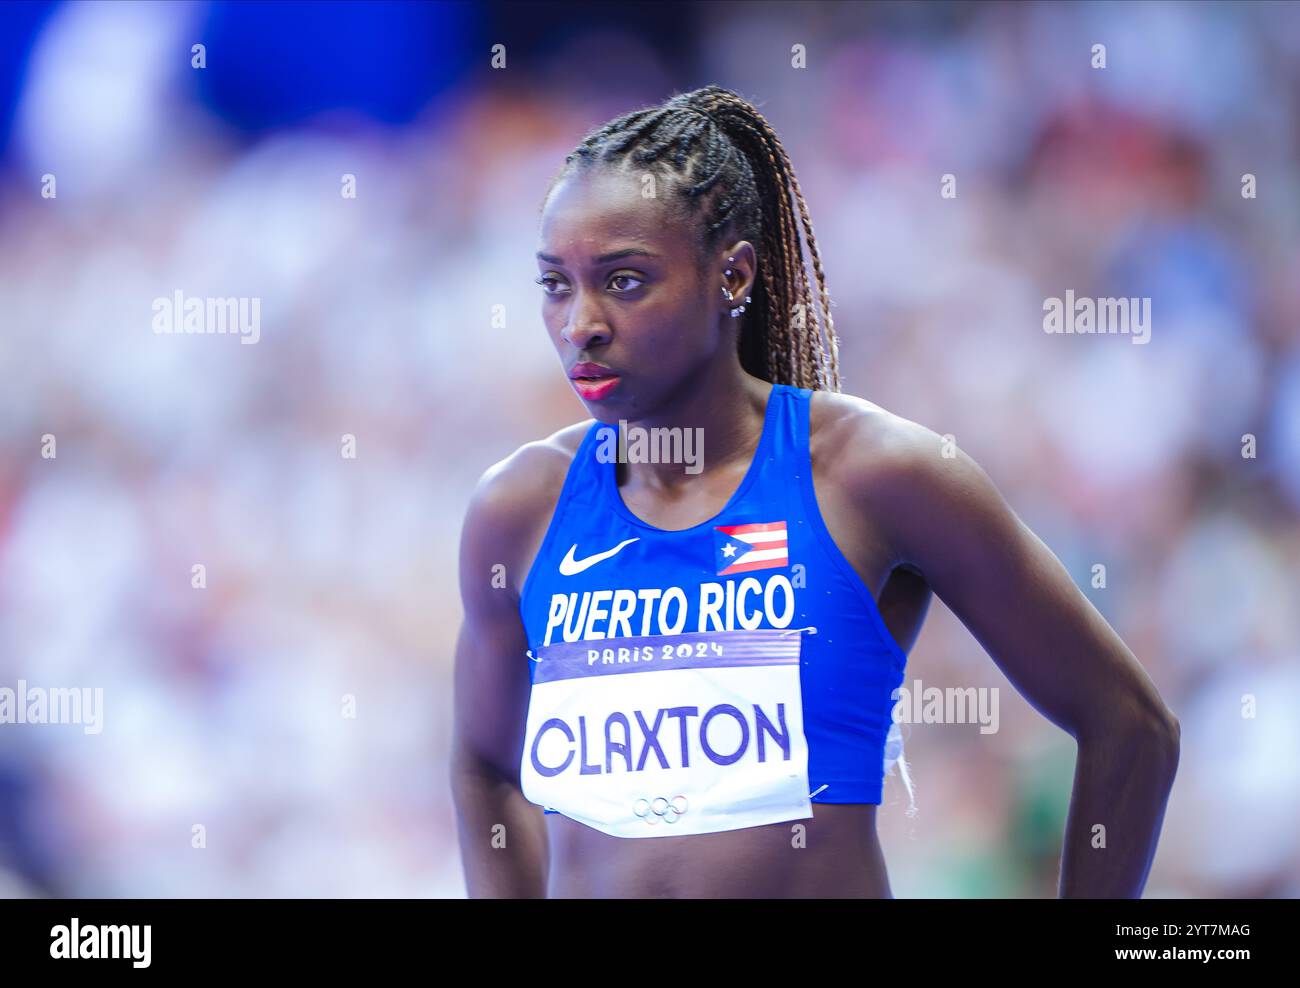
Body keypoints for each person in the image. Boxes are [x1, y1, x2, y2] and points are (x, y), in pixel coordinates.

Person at [451, 84, 1180, 898]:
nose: (580, 322)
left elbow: (1131, 724)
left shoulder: (874, 475)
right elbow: (486, 767)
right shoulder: (517, 512)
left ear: (733, 276)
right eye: (556, 285)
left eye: (623, 281)